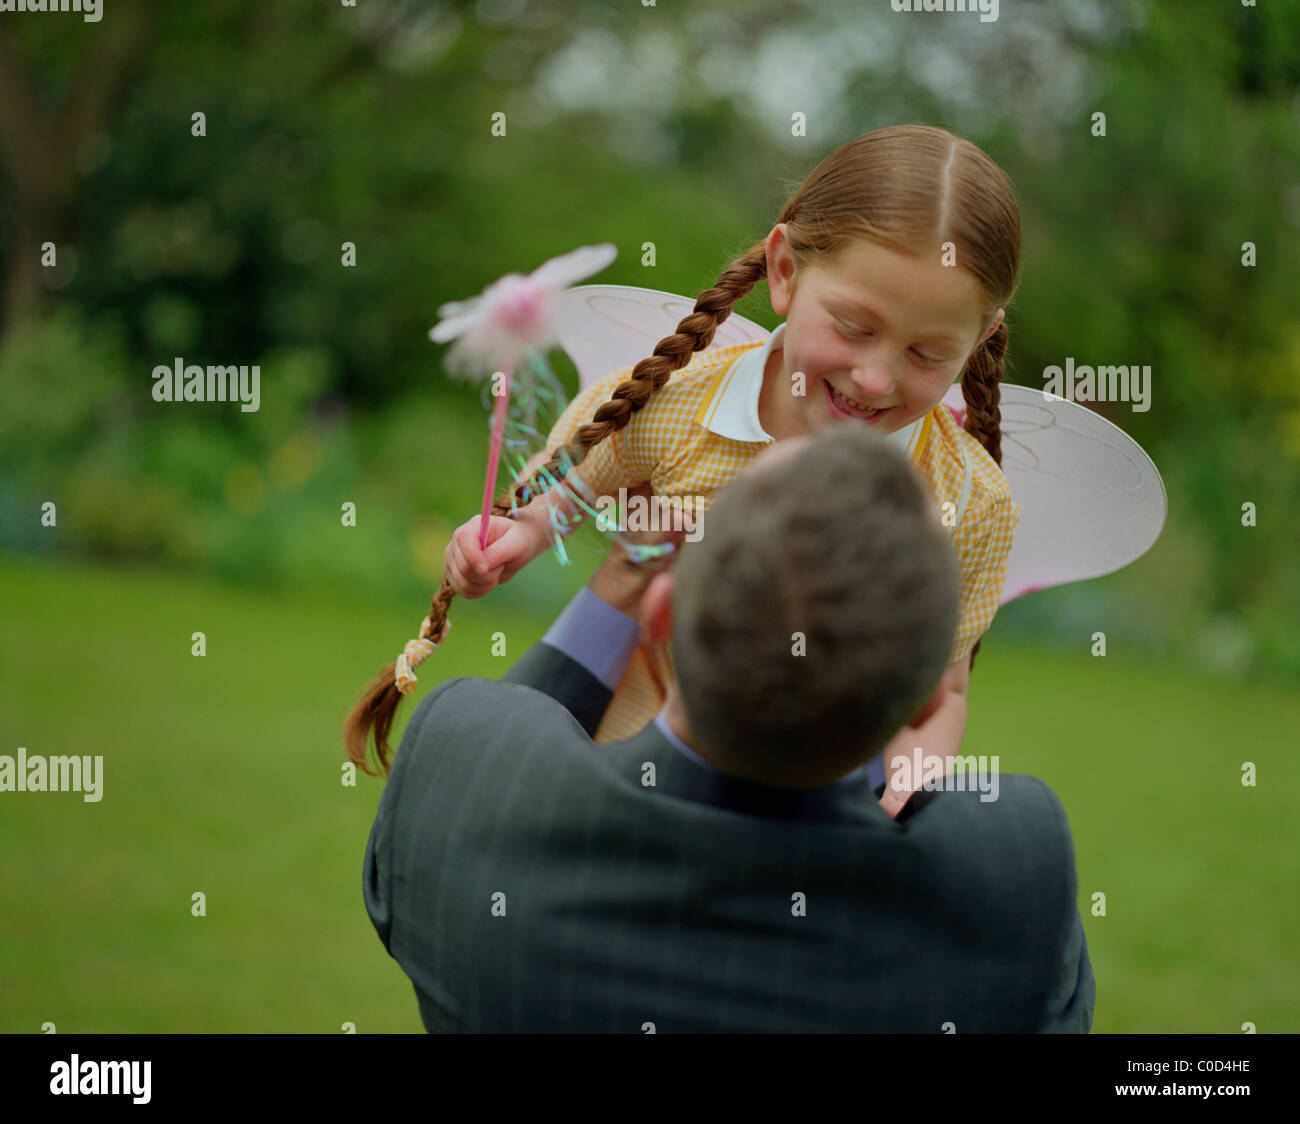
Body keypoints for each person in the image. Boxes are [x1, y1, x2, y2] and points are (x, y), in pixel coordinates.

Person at [342, 123, 1022, 780]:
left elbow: (945, 692)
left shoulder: (969, 500)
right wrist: (512, 537)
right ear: (785, 271)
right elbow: (559, 499)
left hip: (822, 817)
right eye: (852, 326)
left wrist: (898, 800)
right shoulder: (678, 404)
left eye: (926, 353)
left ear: (979, 338)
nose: (875, 378)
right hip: (637, 767)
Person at [362, 424, 1094, 1033]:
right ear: (931, 699)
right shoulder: (1013, 878)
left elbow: (507, 775)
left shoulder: (455, 767)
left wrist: (619, 579)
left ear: (663, 618)